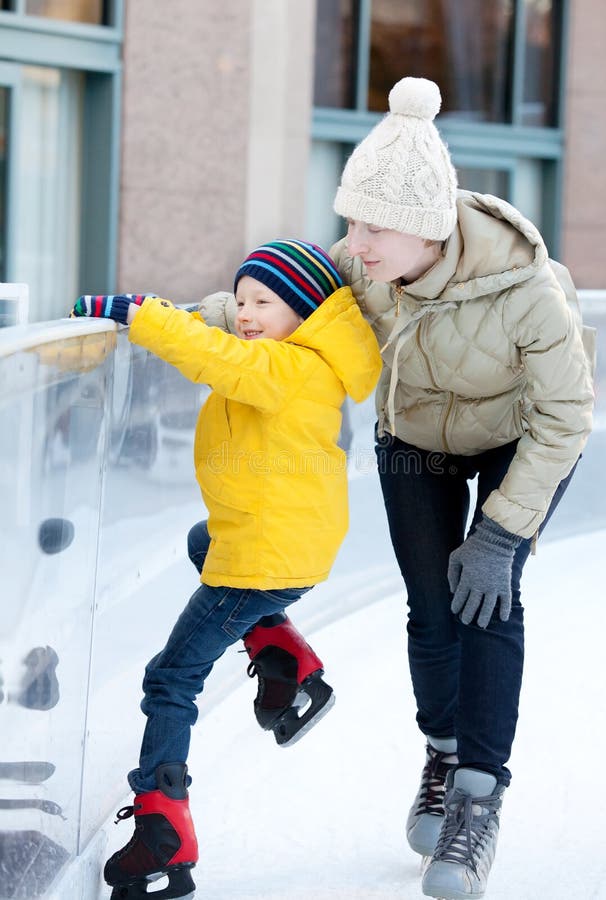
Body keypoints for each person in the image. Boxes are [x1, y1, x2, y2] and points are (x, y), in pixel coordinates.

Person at [329, 77, 595, 899]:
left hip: (522, 436)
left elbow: (566, 417)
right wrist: (173, 318)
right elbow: (277, 306)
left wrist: (501, 534)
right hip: (415, 439)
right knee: (429, 606)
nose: (355, 242)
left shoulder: (529, 292)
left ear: (423, 228)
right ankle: (440, 753)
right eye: (351, 221)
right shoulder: (368, 267)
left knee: (485, 597)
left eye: (372, 226)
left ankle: (478, 797)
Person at [70, 239, 382, 900]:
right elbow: (228, 347)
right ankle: (283, 657)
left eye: (263, 301)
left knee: (171, 678)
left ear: (303, 309)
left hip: (261, 560)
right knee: (199, 539)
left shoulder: (285, 366)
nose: (244, 312)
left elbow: (218, 358)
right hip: (280, 546)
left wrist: (138, 314)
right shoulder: (305, 358)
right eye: (239, 299)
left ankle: (164, 834)